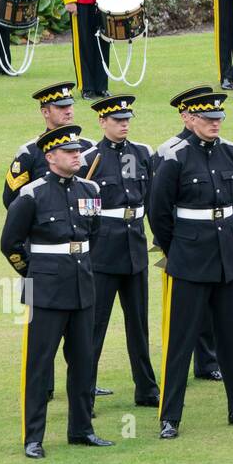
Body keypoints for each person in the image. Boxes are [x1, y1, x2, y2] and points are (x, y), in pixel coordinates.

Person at [148, 91, 233, 438]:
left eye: (218, 118)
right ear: (190, 119)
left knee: (230, 338)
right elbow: (158, 213)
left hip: (226, 257)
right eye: (208, 119)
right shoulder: (175, 158)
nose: (214, 124)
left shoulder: (232, 153)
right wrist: (177, 251)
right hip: (189, 258)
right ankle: (169, 417)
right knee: (181, 340)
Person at [2, 124, 114, 459]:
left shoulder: (90, 189)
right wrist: (35, 275)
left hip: (82, 288)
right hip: (46, 293)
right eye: (69, 152)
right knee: (38, 366)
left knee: (83, 363)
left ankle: (81, 430)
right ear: (51, 157)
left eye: (78, 151)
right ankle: (33, 437)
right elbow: (10, 244)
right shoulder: (32, 194)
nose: (77, 156)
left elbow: (92, 234)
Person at [86, 95, 158, 406]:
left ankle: (146, 388)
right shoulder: (90, 158)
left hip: (135, 249)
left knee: (139, 325)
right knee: (93, 328)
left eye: (127, 119)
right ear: (102, 122)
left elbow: (153, 201)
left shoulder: (143, 154)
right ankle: (84, 391)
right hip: (103, 253)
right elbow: (84, 211)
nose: (124, 124)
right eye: (117, 120)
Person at [154, 85, 223, 382]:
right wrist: (173, 243)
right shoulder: (168, 151)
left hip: (205, 238)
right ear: (186, 116)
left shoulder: (218, 149)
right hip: (174, 240)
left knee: (209, 307)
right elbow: (158, 203)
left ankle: (207, 361)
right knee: (179, 308)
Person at [4, 82, 93, 208]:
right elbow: (11, 199)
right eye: (61, 107)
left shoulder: (90, 147)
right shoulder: (29, 152)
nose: (68, 111)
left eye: (70, 106)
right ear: (45, 112)